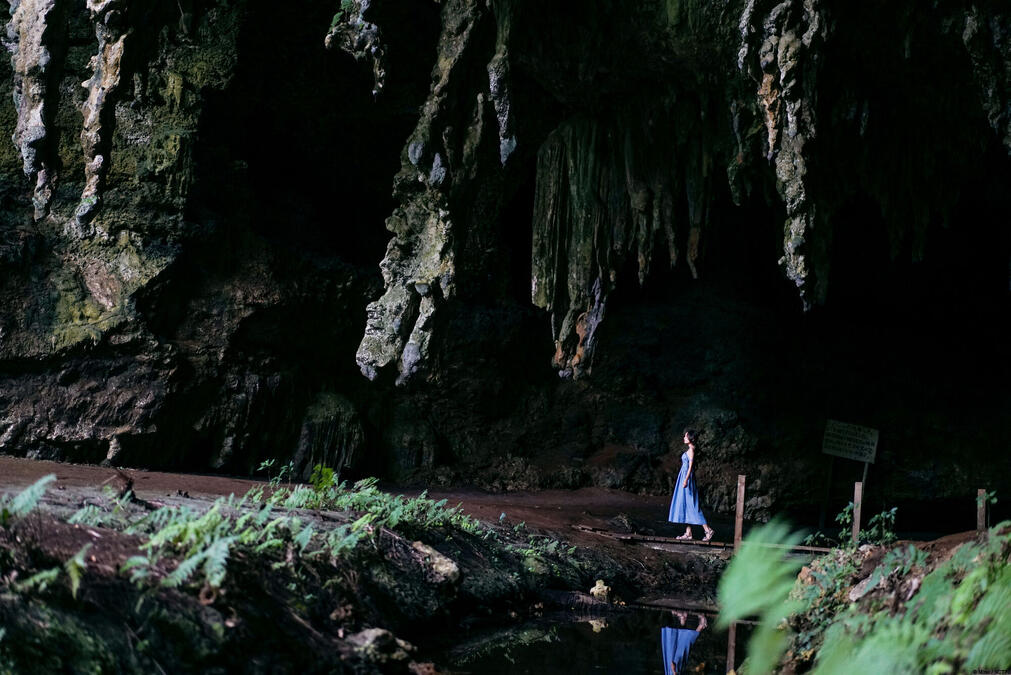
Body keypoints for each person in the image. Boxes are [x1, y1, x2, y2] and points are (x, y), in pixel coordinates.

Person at [668, 428, 715, 542]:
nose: (684, 438)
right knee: (687, 505)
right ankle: (688, 533)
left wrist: (686, 479)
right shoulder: (690, 449)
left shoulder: (692, 450)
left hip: (687, 479)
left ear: (690, 438)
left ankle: (708, 530)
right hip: (683, 477)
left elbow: (690, 467)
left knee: (693, 505)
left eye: (685, 436)